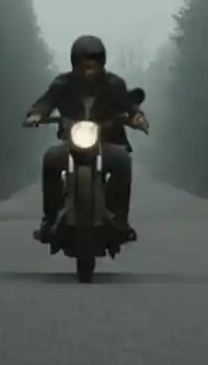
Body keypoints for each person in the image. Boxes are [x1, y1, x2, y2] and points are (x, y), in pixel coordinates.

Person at [23, 35, 149, 244]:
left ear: (102, 62)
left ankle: (120, 218)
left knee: (122, 161)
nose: (89, 64)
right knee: (50, 159)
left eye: (94, 59)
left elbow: (129, 105)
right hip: (71, 144)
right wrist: (36, 113)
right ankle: (50, 217)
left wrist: (137, 117)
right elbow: (46, 102)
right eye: (84, 59)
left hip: (108, 142)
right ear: (75, 62)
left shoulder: (114, 84)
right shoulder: (62, 83)